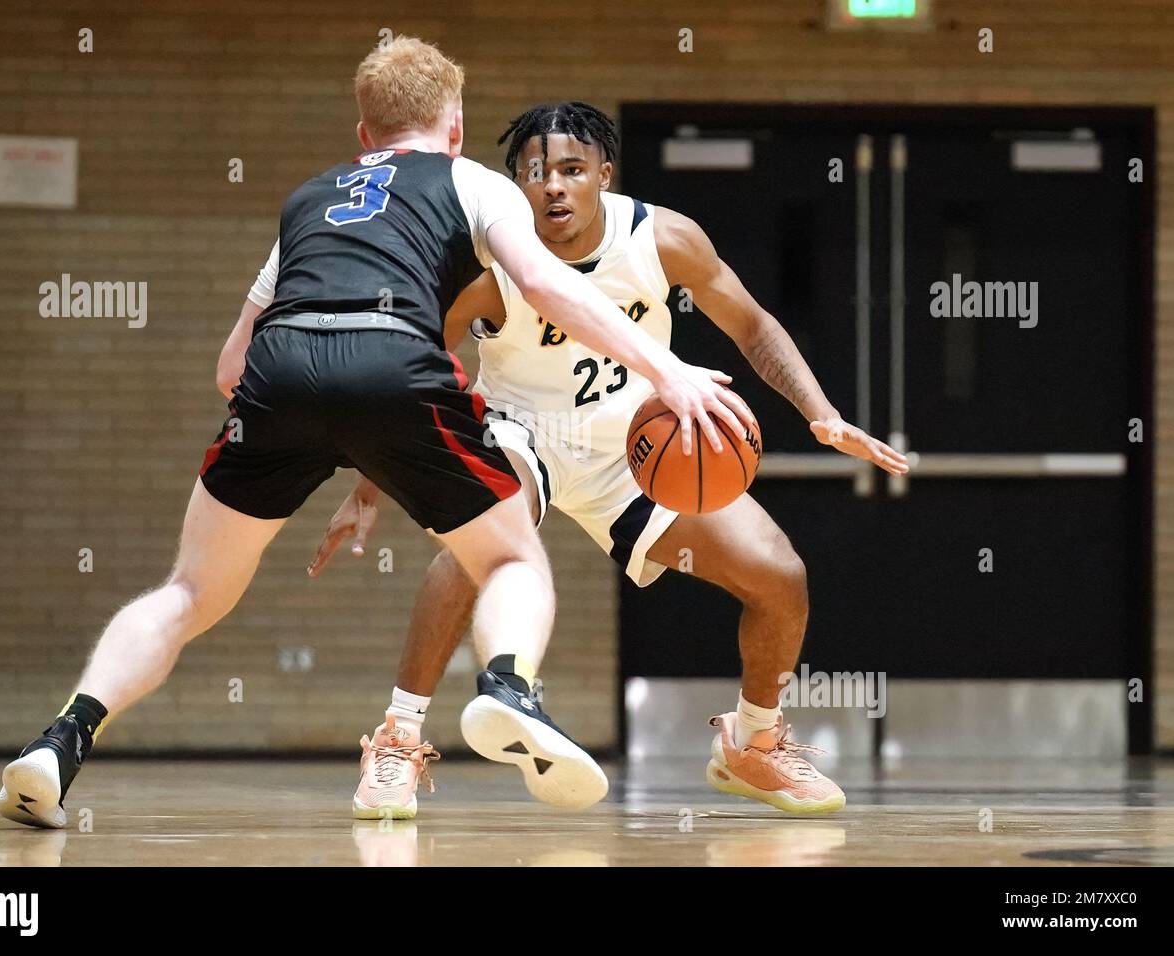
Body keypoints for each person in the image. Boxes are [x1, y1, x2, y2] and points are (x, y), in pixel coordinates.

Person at [0, 42, 751, 829]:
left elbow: (230, 366)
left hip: (280, 371)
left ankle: (60, 742)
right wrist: (666, 370)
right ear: (454, 126)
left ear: (365, 131)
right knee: (509, 558)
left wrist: (328, 436)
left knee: (188, 591)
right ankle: (506, 689)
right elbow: (543, 284)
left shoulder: (309, 198)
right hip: (394, 357)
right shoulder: (471, 180)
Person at [305, 102, 908, 818]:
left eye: (570, 170)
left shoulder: (663, 239)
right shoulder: (489, 262)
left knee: (779, 576)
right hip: (521, 433)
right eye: (536, 173)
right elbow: (413, 363)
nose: (553, 187)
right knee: (474, 549)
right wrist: (370, 487)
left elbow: (752, 325)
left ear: (604, 175)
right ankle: (399, 739)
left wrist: (822, 413)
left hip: (636, 447)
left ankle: (754, 744)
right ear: (516, 184)